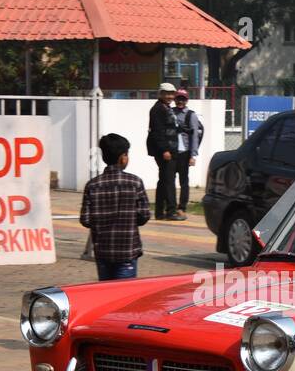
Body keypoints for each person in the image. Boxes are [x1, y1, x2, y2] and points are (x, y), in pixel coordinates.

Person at [80, 133, 151, 281]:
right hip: (127, 252)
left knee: (107, 296)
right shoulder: (135, 183)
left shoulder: (92, 185)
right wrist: (128, 220)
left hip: (103, 252)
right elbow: (144, 215)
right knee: (125, 298)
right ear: (123, 157)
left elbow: (85, 219)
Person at [146, 82, 182, 220]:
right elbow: (157, 132)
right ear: (160, 94)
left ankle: (159, 212)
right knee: (168, 180)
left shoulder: (166, 108)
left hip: (170, 148)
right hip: (164, 151)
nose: (169, 96)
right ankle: (171, 211)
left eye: (171, 93)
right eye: (166, 93)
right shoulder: (157, 109)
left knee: (163, 180)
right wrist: (164, 150)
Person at [171, 89, 203, 220]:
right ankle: (172, 207)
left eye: (183, 99)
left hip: (185, 153)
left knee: (184, 182)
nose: (180, 101)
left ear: (186, 100)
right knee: (170, 181)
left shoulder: (191, 115)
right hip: (172, 152)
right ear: (175, 99)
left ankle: (182, 207)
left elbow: (195, 136)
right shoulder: (170, 112)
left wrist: (193, 156)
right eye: (178, 98)